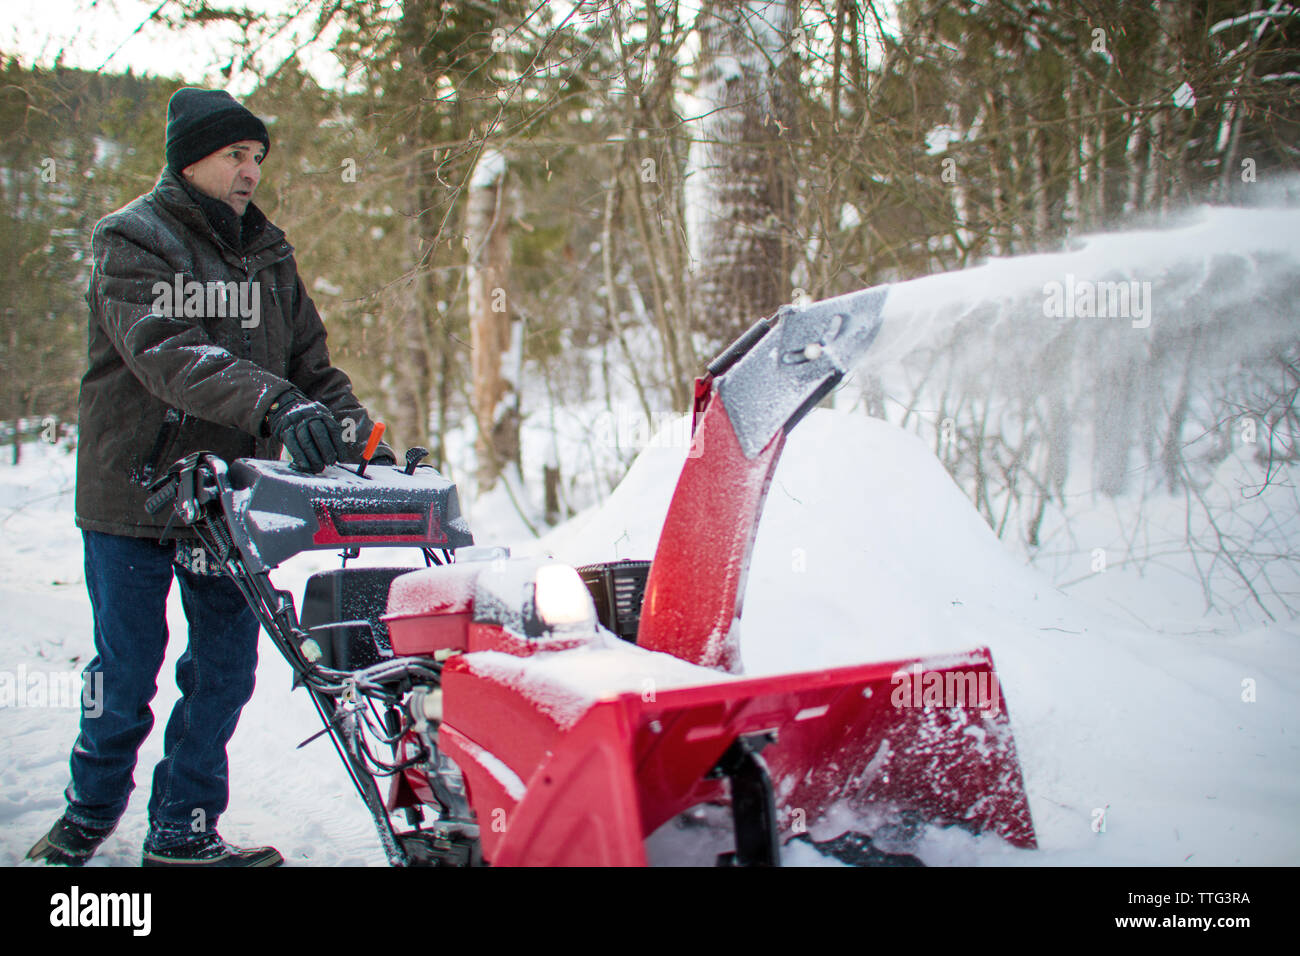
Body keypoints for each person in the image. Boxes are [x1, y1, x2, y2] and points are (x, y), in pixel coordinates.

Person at [27, 87, 395, 867]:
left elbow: (311, 368)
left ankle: (182, 828)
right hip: (133, 492)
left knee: (224, 670)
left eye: (258, 155)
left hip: (223, 498)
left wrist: (357, 438)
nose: (250, 170)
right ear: (189, 159)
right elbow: (168, 351)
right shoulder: (131, 238)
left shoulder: (269, 254)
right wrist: (276, 404)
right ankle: (87, 814)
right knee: (126, 671)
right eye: (235, 153)